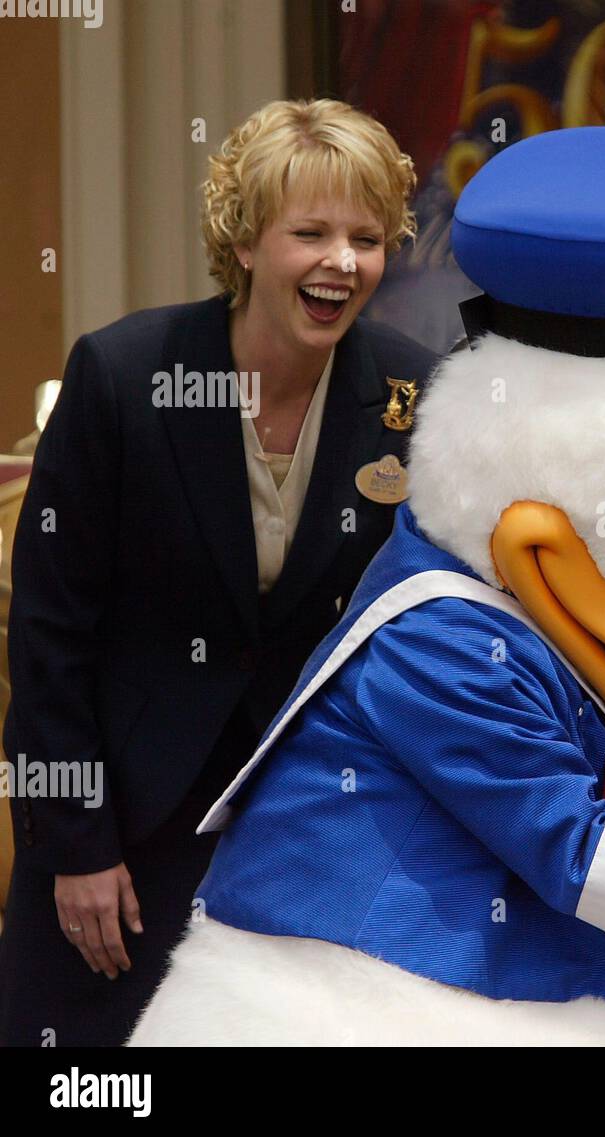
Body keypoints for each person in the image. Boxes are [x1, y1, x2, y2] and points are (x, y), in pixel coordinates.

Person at [0, 98, 436, 1046]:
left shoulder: (415, 393)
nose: (343, 261)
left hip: (309, 843)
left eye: (367, 237)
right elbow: (48, 632)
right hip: (117, 845)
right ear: (244, 242)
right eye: (310, 232)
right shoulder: (122, 376)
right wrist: (77, 846)